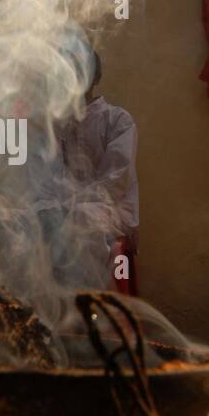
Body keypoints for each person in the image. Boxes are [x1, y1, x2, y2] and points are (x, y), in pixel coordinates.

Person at [56, 44, 139, 288]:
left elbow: (116, 180)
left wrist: (69, 205)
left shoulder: (118, 120)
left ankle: (96, 311)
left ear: (97, 77)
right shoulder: (58, 126)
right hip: (67, 209)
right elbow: (53, 178)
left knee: (82, 219)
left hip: (112, 210)